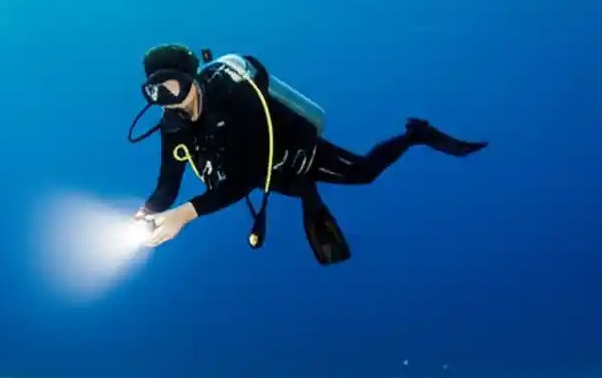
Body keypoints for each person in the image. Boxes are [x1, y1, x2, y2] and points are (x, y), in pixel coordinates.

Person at [128, 44, 487, 265]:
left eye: (171, 87)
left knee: (363, 173)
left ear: (190, 80)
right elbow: (167, 184)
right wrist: (147, 213)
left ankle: (416, 135)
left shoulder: (233, 99)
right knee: (298, 188)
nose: (165, 100)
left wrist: (185, 216)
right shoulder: (173, 126)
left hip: (292, 152)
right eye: (154, 92)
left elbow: (247, 176)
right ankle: (308, 195)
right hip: (266, 173)